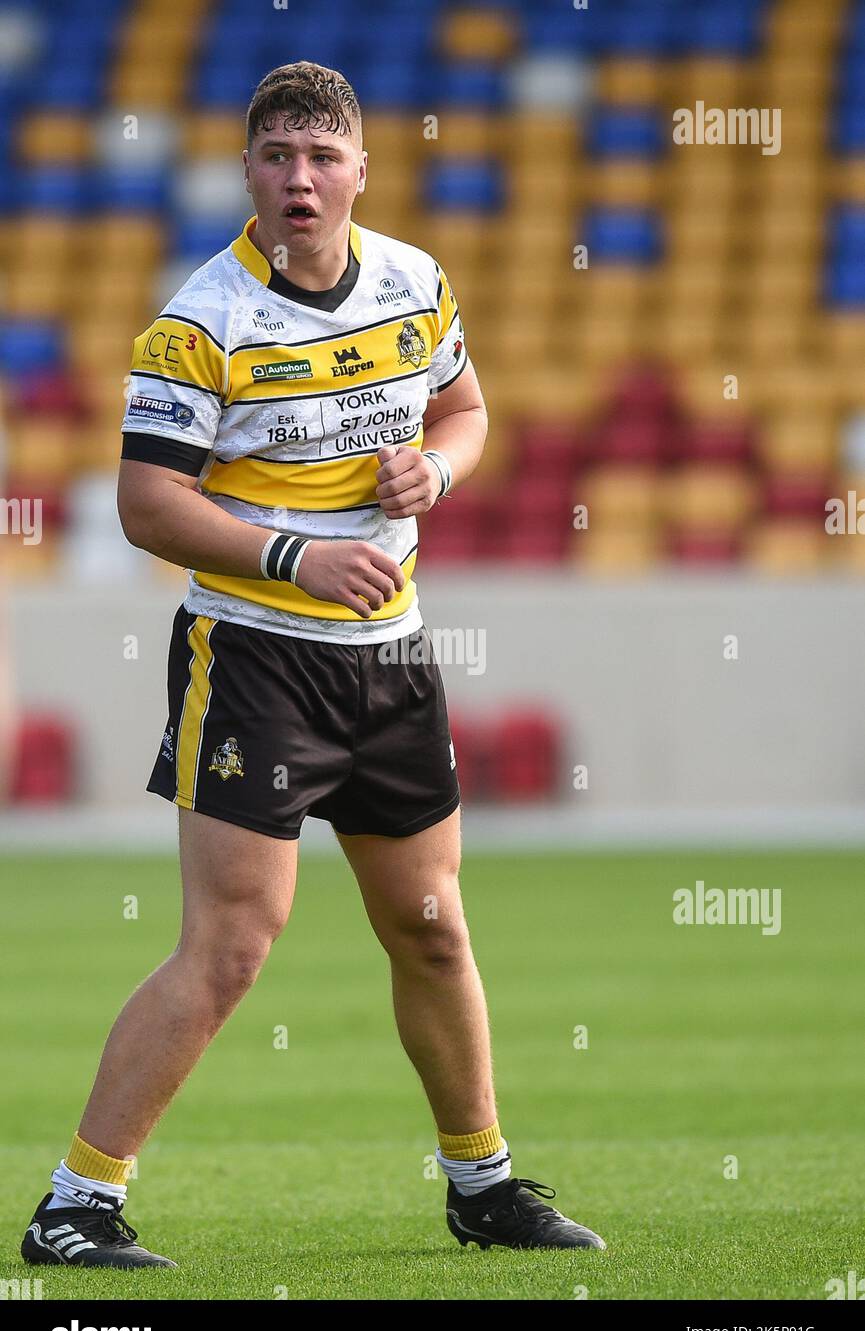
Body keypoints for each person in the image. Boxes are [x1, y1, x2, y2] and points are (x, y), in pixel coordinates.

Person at [21, 61, 605, 1268]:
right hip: (254, 657)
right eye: (278, 155)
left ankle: (481, 1184)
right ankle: (77, 1203)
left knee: (434, 925)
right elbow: (145, 504)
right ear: (247, 171)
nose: (300, 177)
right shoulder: (199, 321)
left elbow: (467, 413)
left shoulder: (414, 279)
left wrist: (435, 472)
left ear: (359, 171)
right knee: (234, 941)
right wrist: (294, 556)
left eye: (322, 155)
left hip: (386, 656)